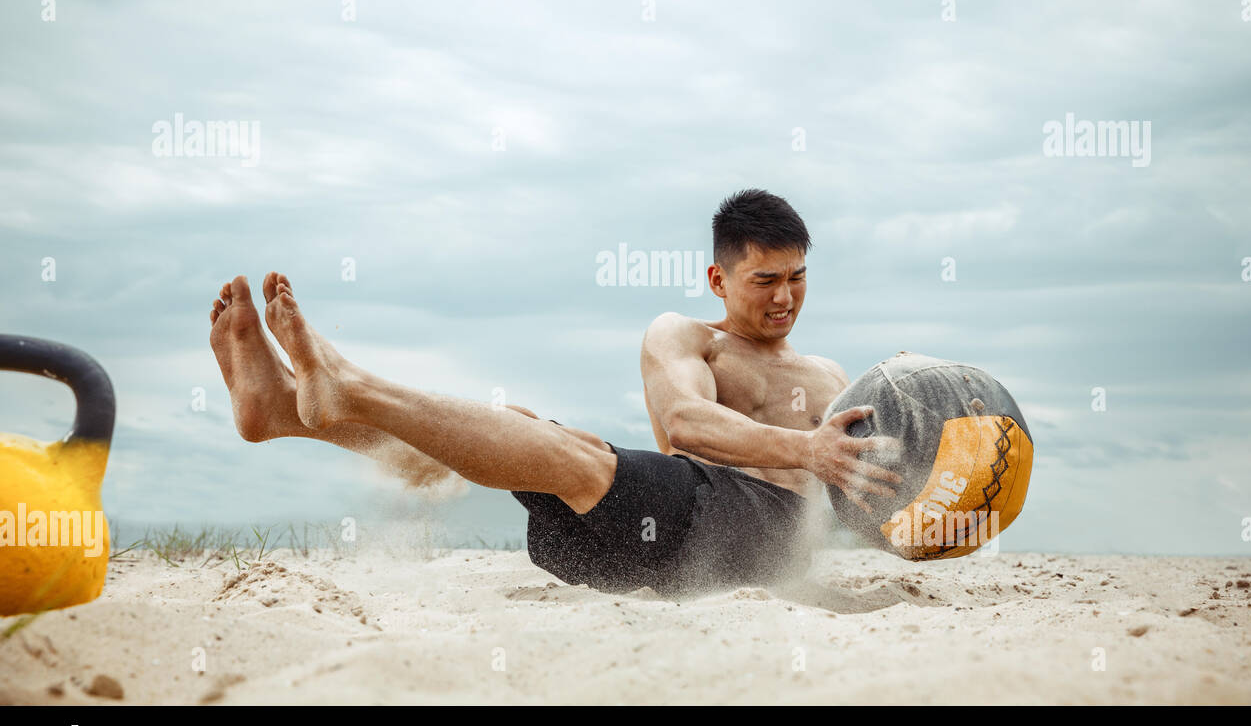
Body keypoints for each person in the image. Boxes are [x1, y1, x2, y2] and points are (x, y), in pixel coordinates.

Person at [208, 189, 901, 595]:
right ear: (719, 280)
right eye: (765, 280)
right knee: (528, 433)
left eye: (797, 277)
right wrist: (807, 447)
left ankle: (335, 394)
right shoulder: (687, 338)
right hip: (653, 534)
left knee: (564, 453)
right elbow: (687, 424)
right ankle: (299, 410)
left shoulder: (832, 379)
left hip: (752, 544)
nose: (785, 297)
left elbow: (869, 494)